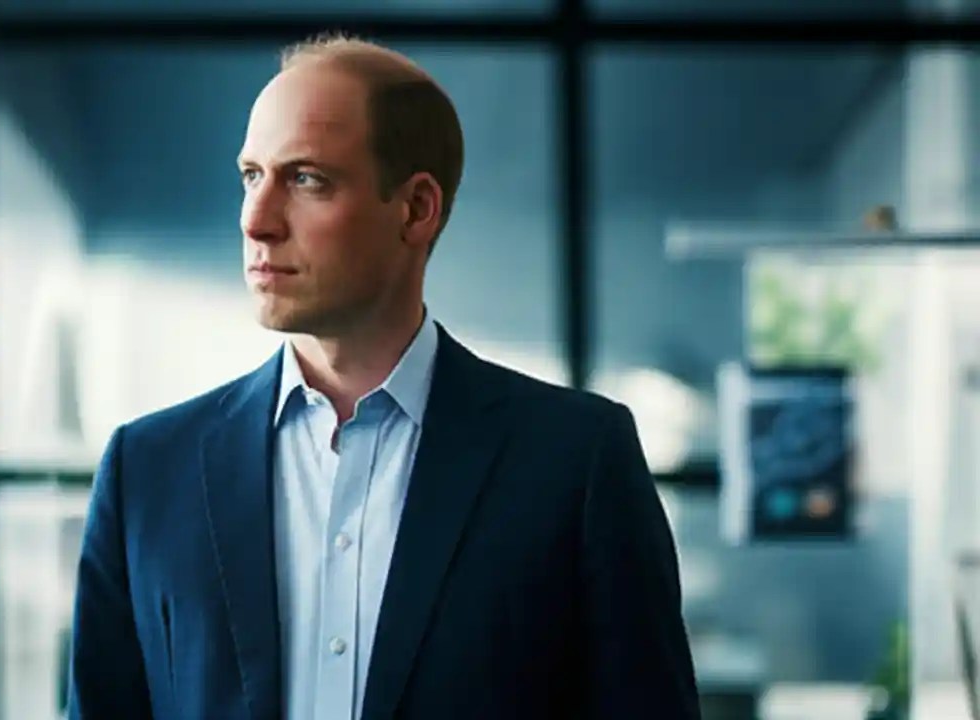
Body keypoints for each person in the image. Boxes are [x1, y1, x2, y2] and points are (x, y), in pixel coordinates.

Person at [68, 34, 700, 720]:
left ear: (416, 208)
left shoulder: (575, 461)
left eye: (306, 179)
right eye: (252, 176)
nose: (256, 220)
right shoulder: (149, 471)